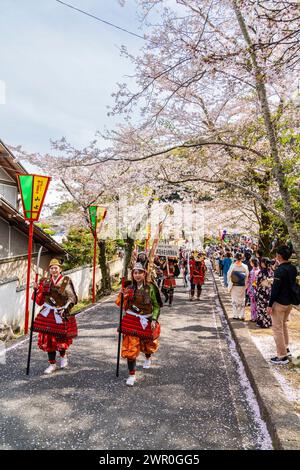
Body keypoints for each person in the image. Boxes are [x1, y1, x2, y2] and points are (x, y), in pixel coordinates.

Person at [116, 262, 161, 386]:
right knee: (130, 348)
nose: (137, 275)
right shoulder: (129, 287)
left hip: (146, 319)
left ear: (144, 274)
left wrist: (154, 319)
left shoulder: (151, 287)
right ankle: (132, 375)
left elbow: (156, 306)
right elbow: (121, 305)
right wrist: (123, 296)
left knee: (148, 345)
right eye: (135, 273)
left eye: (140, 273)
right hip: (131, 319)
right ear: (132, 274)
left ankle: (147, 357)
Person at [32, 259, 78, 374]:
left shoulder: (65, 281)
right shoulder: (45, 282)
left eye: (56, 267)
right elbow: (40, 301)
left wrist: (65, 308)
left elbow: (73, 298)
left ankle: (63, 356)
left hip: (60, 311)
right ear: (49, 270)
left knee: (60, 338)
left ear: (60, 269)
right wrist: (36, 290)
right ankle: (52, 364)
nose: (54, 270)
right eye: (51, 268)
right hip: (47, 313)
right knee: (48, 339)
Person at [267, 246, 298, 365]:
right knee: (283, 325)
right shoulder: (292, 268)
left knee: (277, 328)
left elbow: (275, 289)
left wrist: (270, 305)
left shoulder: (280, 270)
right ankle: (286, 349)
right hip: (289, 302)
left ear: (279, 256)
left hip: (279, 303)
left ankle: (282, 356)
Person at [227, 253, 249, 320]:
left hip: (234, 285)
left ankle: (236, 315)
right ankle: (242, 315)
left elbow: (228, 275)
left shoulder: (233, 266)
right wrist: (245, 283)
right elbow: (247, 275)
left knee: (234, 300)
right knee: (242, 300)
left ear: (235, 258)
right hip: (242, 285)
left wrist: (230, 282)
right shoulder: (245, 266)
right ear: (242, 258)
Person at [255, 258, 273, 328]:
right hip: (269, 291)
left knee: (261, 307)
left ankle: (262, 322)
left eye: (261, 262)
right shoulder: (271, 272)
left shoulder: (261, 272)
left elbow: (257, 282)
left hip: (262, 292)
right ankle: (268, 322)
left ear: (263, 263)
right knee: (267, 307)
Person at [246, 257, 260, 322]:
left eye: (251, 262)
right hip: (258, 289)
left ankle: (253, 317)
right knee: (257, 304)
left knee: (253, 304)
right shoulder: (259, 271)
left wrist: (248, 289)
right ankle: (257, 316)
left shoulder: (252, 272)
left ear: (252, 263)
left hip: (253, 289)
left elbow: (250, 281)